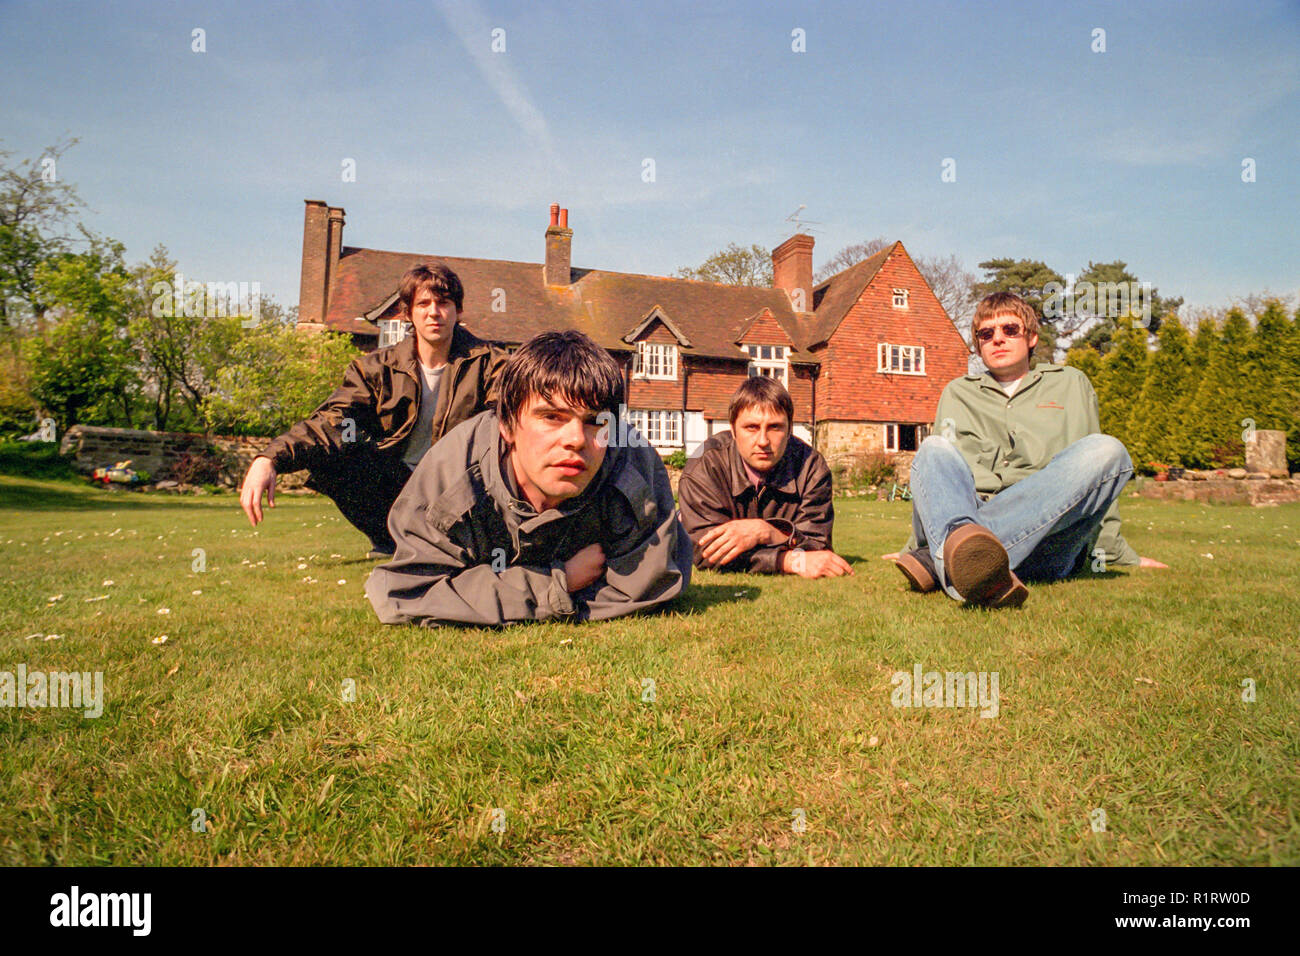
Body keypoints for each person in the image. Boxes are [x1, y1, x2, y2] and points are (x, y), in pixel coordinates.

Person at [365, 330, 693, 626]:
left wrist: (483, 593)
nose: (577, 439)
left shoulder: (632, 464)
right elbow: (407, 594)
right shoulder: (452, 474)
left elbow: (655, 582)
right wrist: (558, 584)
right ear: (507, 426)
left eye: (595, 421)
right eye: (551, 417)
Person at [889, 291, 1166, 607]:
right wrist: (911, 546)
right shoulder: (958, 393)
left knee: (1107, 451)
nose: (998, 340)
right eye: (986, 334)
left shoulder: (1071, 384)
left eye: (1009, 330)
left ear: (1032, 337)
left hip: (1046, 539)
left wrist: (1113, 552)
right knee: (934, 449)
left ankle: (943, 561)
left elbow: (1092, 485)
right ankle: (966, 559)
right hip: (971, 509)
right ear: (979, 344)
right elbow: (939, 483)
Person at [239, 264, 508, 557]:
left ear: (458, 310)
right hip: (397, 486)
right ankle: (390, 538)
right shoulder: (375, 368)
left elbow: (509, 426)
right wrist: (269, 459)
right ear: (407, 313)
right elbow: (331, 422)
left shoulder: (492, 365)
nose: (434, 312)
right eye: (423, 303)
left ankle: (461, 539)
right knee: (334, 449)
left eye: (443, 303)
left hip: (460, 486)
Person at [677, 376, 853, 578]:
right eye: (751, 427)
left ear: (789, 430)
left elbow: (817, 547)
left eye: (775, 427)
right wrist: (784, 560)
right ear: (733, 430)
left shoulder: (811, 467)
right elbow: (707, 552)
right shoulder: (704, 466)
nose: (763, 441)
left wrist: (766, 531)